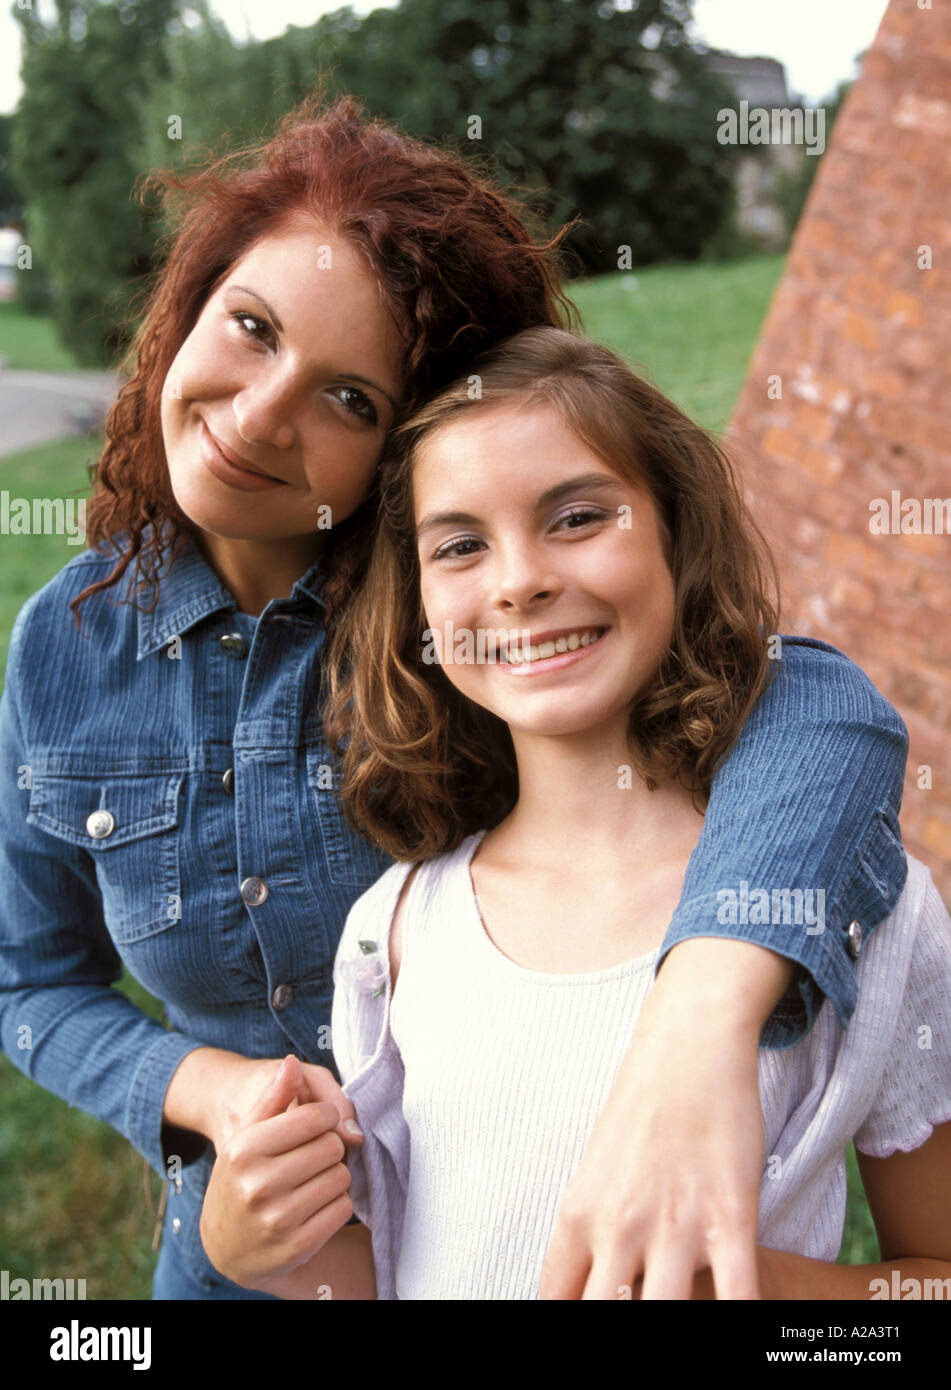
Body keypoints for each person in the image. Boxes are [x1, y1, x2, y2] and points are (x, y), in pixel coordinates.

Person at [0, 96, 907, 1303]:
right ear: (190, 308)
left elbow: (817, 709)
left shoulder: (457, 615)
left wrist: (700, 1011)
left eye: (349, 400)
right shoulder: (62, 642)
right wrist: (203, 1091)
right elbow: (26, 981)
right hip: (239, 1245)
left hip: (503, 1224)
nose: (261, 415)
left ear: (408, 449)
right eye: (252, 327)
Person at [200, 327, 951, 1300]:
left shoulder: (867, 912)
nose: (520, 579)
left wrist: (746, 1289)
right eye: (461, 543)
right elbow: (386, 1274)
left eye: (578, 517)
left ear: (674, 531)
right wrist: (256, 1241)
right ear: (422, 604)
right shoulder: (391, 934)